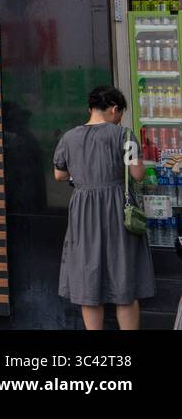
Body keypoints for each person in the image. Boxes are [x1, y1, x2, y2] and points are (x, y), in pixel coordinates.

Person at [52, 86, 154, 330]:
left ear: (90, 108)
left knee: (89, 277)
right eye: (120, 114)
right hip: (117, 208)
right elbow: (137, 174)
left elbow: (59, 174)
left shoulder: (69, 137)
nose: (119, 119)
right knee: (124, 278)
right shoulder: (124, 135)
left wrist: (81, 178)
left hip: (84, 211)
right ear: (114, 109)